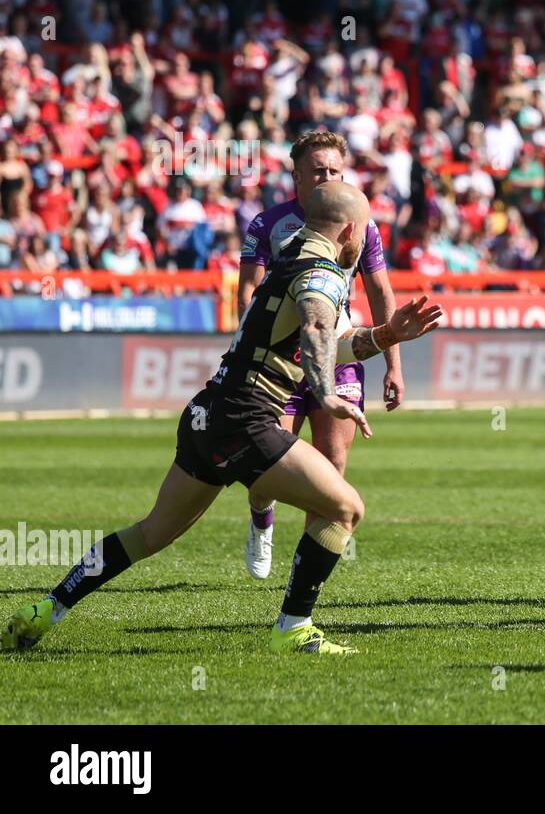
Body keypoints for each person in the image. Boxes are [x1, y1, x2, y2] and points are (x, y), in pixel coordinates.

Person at [3, 183, 443, 655]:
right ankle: (294, 627)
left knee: (150, 533)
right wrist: (326, 392)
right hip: (247, 418)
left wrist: (385, 334)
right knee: (345, 509)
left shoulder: (291, 256)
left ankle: (48, 608)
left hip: (208, 412)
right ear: (352, 231)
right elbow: (317, 325)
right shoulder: (326, 270)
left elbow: (330, 338)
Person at [237, 131, 402, 579]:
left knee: (332, 467)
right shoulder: (268, 223)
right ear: (297, 176)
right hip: (283, 360)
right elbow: (249, 291)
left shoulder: (362, 224)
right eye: (318, 170)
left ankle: (302, 567)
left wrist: (393, 363)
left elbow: (380, 290)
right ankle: (261, 517)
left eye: (334, 170)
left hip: (341, 348)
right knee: (269, 459)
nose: (327, 176)